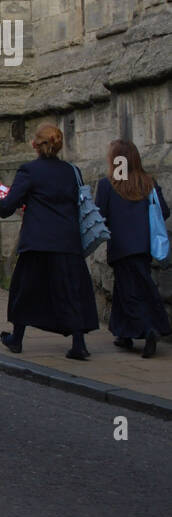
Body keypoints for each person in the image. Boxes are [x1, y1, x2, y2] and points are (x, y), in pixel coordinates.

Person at [0, 123, 99, 360]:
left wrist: (4, 205)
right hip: (68, 241)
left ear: (35, 145)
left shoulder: (29, 171)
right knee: (71, 291)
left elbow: (8, 205)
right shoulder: (72, 171)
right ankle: (79, 343)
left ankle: (16, 339)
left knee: (26, 291)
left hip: (38, 241)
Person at [95, 139, 170, 357]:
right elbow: (163, 211)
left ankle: (149, 330)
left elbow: (101, 217)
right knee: (129, 288)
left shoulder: (108, 185)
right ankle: (123, 334)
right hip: (143, 247)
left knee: (131, 294)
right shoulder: (148, 183)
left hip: (121, 247)